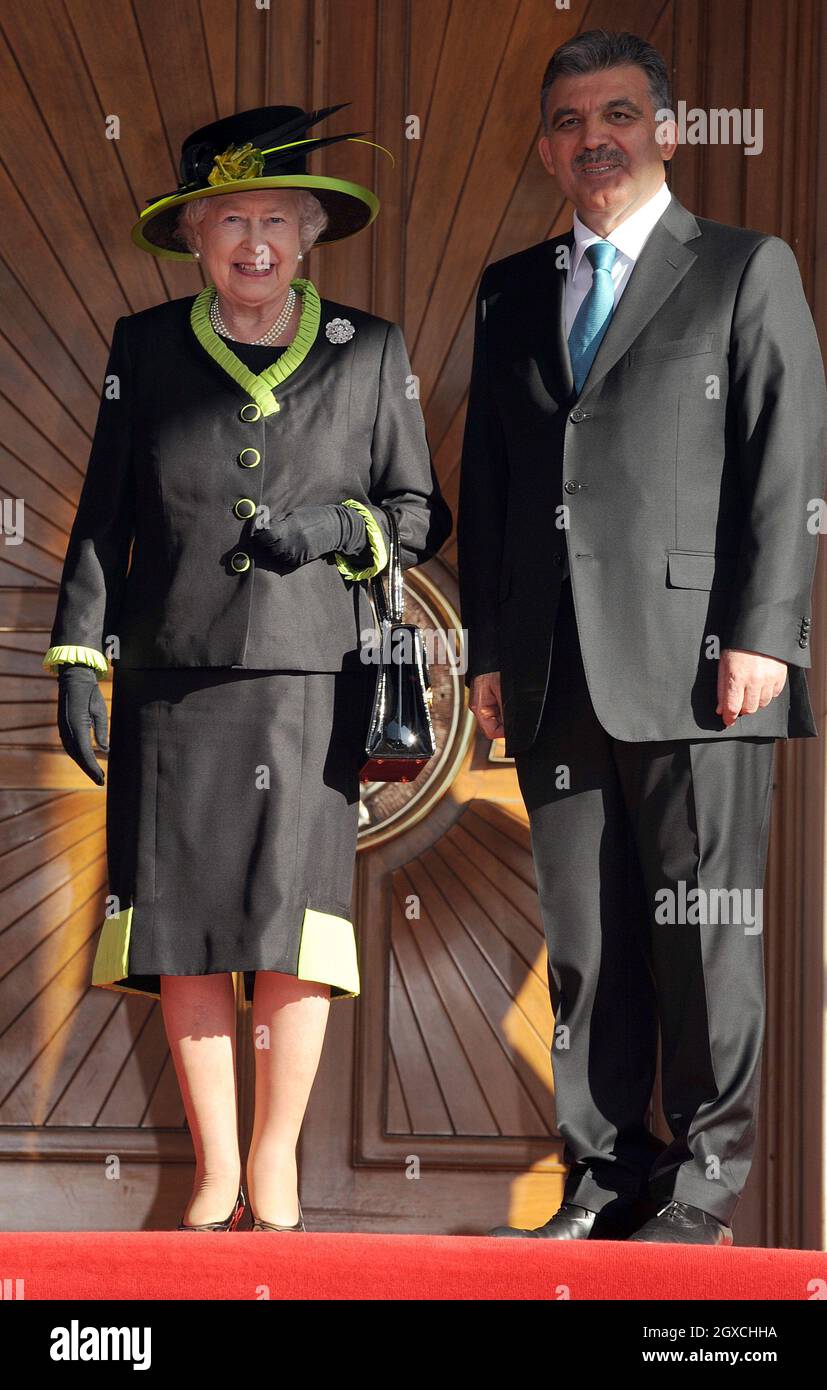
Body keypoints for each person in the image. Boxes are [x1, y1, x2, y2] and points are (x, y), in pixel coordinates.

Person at [44, 103, 452, 1233]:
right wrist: (81, 652)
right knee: (179, 927)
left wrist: (331, 532)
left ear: (313, 231)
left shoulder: (368, 351)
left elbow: (421, 515)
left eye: (277, 217)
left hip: (307, 681)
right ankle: (215, 1168)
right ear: (195, 239)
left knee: (290, 928)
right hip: (172, 680)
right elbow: (101, 516)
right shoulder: (145, 347)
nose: (255, 241)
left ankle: (273, 1167)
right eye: (231, 221)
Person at [458, 30, 826, 1245]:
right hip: (557, 667)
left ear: (666, 129)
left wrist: (765, 632)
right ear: (547, 145)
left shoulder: (741, 268)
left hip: (700, 669)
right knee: (588, 945)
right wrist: (489, 655)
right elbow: (495, 482)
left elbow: (783, 462)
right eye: (567, 121)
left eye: (616, 114)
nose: (591, 138)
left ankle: (703, 1187)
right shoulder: (510, 288)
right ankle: (605, 1175)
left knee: (703, 935)